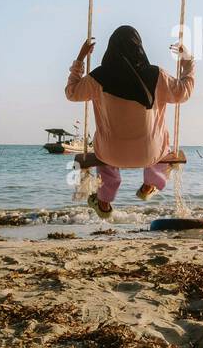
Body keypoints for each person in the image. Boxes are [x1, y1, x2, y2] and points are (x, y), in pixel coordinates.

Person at [65, 25, 194, 218]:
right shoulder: (157, 75)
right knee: (160, 138)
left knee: (106, 142)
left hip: (109, 153)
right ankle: (150, 184)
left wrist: (80, 59)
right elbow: (184, 92)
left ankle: (104, 201)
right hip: (150, 153)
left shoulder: (98, 77)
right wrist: (188, 62)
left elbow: (72, 93)